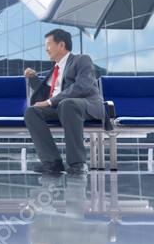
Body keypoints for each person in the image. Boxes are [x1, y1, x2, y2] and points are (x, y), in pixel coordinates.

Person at [23, 28, 105, 175]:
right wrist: (33, 79)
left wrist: (49, 102)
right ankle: (52, 162)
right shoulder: (54, 70)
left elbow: (82, 86)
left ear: (61, 45)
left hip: (86, 104)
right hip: (62, 107)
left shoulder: (81, 60)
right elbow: (47, 95)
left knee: (67, 104)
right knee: (32, 112)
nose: (46, 49)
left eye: (48, 44)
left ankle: (77, 164)